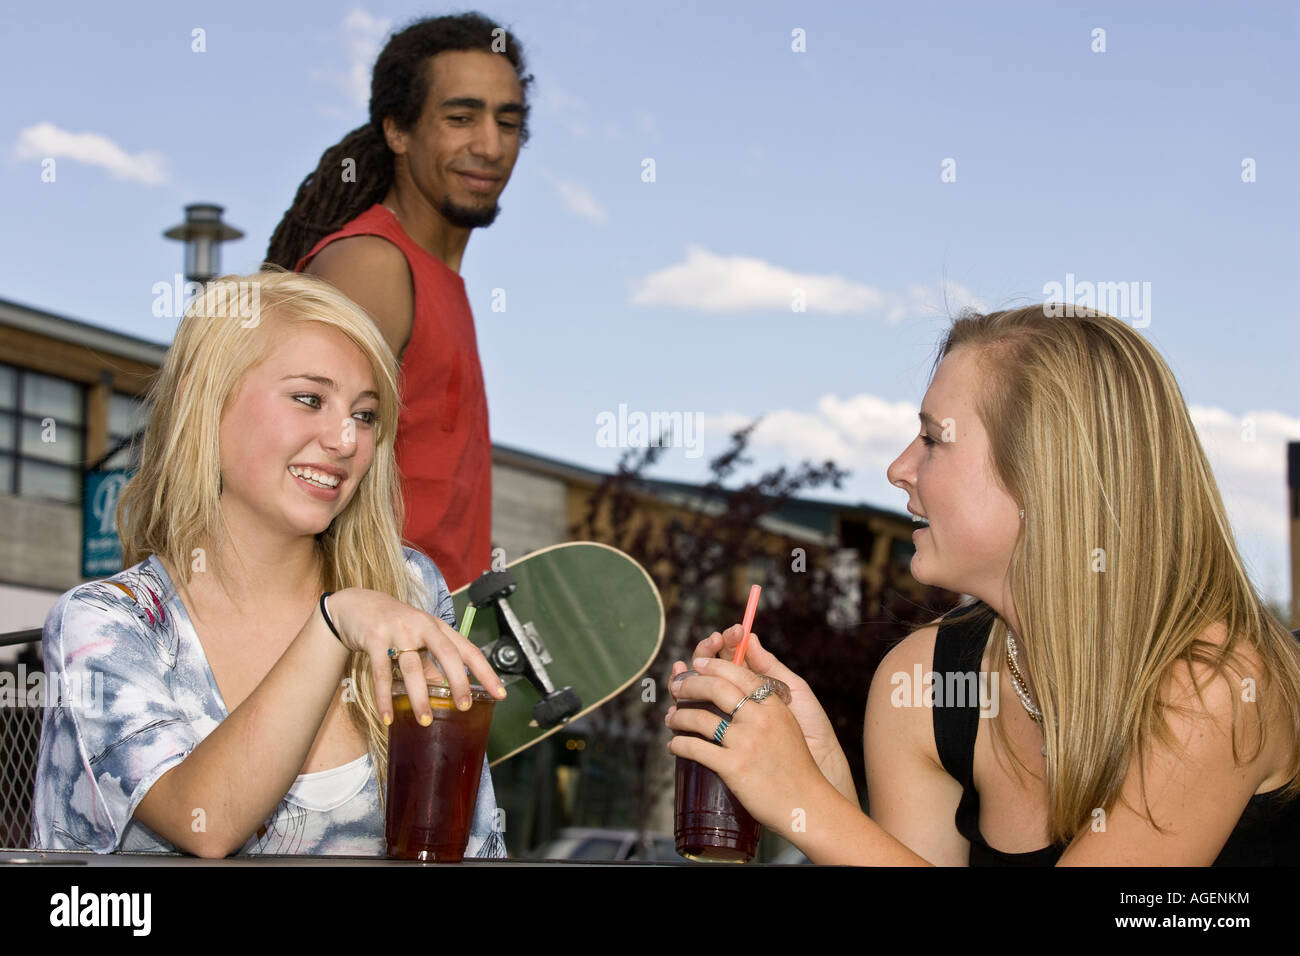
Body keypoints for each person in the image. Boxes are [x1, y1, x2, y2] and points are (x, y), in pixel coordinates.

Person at [667, 304, 1300, 865]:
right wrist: (822, 783)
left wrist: (805, 801)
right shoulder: (921, 683)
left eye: (933, 439)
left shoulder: (1214, 686)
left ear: (1047, 474)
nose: (897, 469)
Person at [32, 270, 508, 857]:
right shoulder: (108, 624)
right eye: (310, 399)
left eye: (365, 415)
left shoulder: (407, 587)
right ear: (204, 403)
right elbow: (202, 822)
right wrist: (333, 623)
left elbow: (476, 846)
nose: (345, 440)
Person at [265, 12, 532, 591]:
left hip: (427, 648)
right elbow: (284, 477)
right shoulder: (374, 266)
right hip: (362, 647)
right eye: (460, 117)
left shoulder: (433, 277)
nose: (489, 145)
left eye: (507, 122)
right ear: (398, 131)